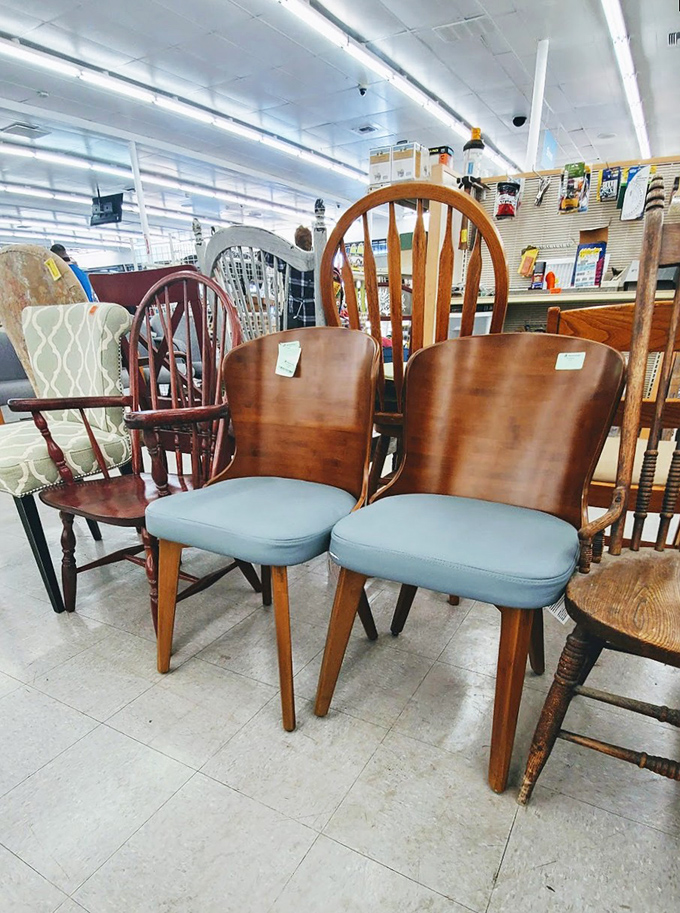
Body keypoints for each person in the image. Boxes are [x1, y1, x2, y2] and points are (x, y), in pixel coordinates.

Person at [287, 225, 315, 328]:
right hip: (314, 316)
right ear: (311, 241)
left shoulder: (288, 259)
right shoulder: (318, 259)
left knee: (296, 343)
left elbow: (264, 258)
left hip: (294, 315)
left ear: (296, 242)